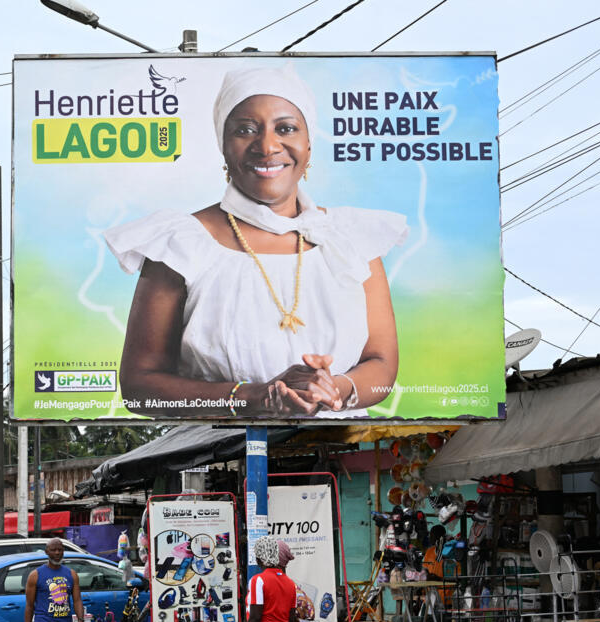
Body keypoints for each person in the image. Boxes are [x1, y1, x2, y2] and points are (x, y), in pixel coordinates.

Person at [104, 64, 405, 419]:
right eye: (245, 130)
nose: (267, 146)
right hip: (218, 454)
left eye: (286, 128)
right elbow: (140, 389)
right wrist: (253, 397)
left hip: (339, 448)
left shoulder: (351, 237)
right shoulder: (180, 244)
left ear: (308, 145)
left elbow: (382, 365)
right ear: (223, 146)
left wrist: (333, 389)